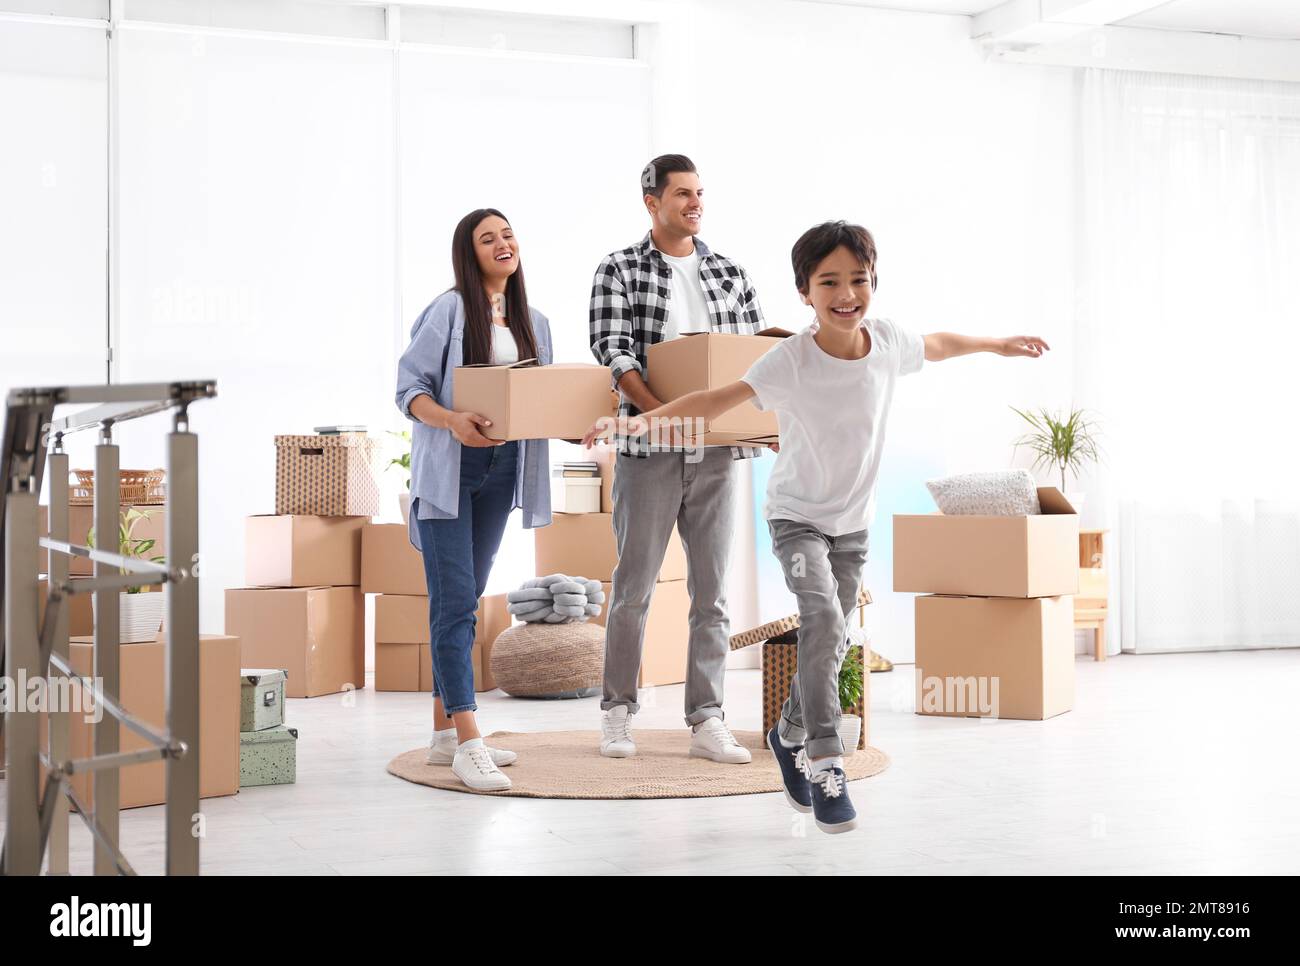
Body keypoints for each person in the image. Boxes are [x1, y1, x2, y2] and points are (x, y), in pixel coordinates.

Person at [584, 220, 1049, 832]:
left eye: (858, 279)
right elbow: (716, 401)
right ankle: (826, 762)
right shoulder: (791, 360)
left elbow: (936, 343)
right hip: (796, 519)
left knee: (830, 636)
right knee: (824, 619)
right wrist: (641, 424)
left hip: (853, 525)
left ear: (873, 282)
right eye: (829, 281)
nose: (846, 293)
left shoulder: (886, 342)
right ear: (805, 292)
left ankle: (788, 730)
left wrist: (996, 344)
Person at [588, 154, 770, 763]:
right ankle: (618, 712)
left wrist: (761, 424)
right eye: (682, 194)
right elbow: (616, 355)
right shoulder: (620, 269)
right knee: (633, 586)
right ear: (652, 202)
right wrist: (665, 416)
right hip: (648, 450)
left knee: (712, 593)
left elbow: (755, 359)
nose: (694, 203)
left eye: (700, 194)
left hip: (716, 453)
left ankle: (707, 718)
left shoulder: (728, 272)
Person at [395, 208, 552, 792]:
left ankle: (441, 736)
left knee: (466, 595)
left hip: (503, 467)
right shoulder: (449, 310)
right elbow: (408, 390)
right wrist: (453, 420)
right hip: (449, 470)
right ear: (470, 252)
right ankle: (467, 740)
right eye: (488, 238)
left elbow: (540, 398)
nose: (503, 243)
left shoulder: (534, 321)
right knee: (455, 602)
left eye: (508, 233)